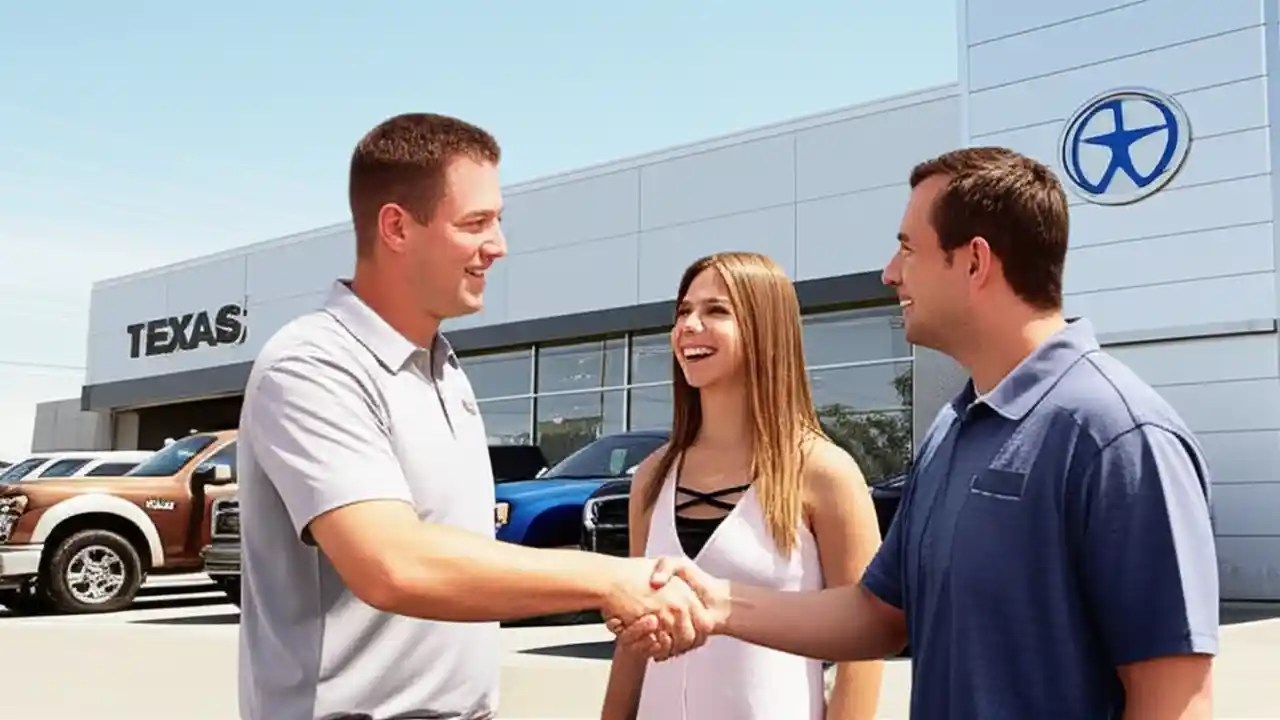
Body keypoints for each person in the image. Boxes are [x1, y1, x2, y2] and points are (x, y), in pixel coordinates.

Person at [612, 146, 1219, 720]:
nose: (889, 273)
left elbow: (1175, 695)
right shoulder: (952, 433)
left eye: (908, 248)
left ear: (975, 262)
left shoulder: (1120, 436)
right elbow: (879, 613)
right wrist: (717, 604)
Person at [235, 112, 713, 720]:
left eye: (498, 221)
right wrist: (606, 579)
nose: (498, 245)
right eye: (475, 223)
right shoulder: (312, 367)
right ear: (396, 227)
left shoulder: (444, 369)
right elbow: (392, 563)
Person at [599, 251, 885, 720]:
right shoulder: (652, 476)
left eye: (715, 311)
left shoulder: (823, 472)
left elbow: (864, 650)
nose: (689, 325)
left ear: (763, 328)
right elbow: (634, 643)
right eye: (683, 312)